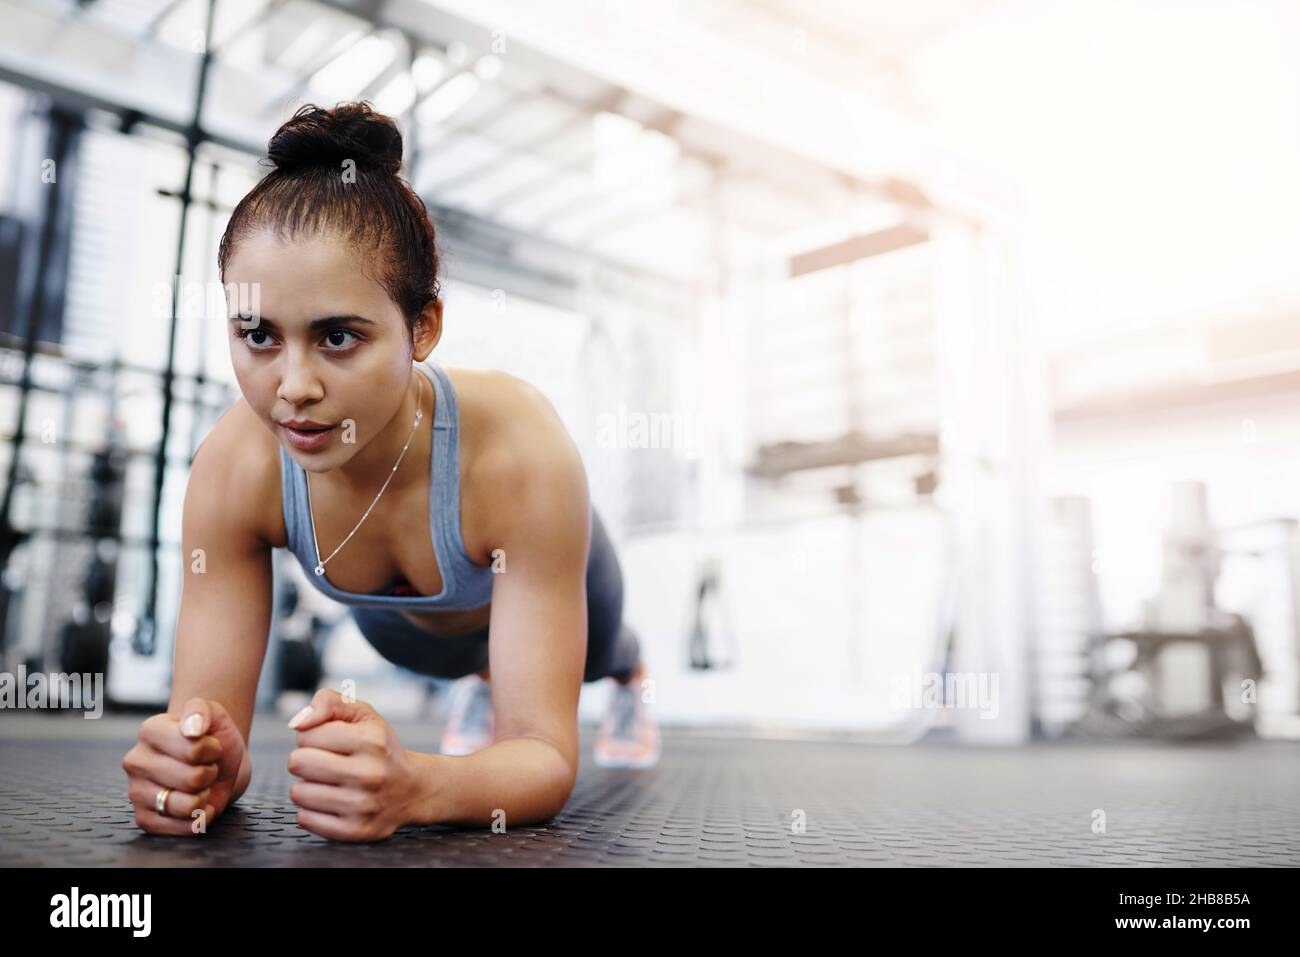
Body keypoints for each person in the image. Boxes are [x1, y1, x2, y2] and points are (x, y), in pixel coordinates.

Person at [121, 101, 660, 843]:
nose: (293, 386)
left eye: (338, 336)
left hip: (562, 589)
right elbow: (210, 724)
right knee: (462, 666)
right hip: (401, 633)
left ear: (423, 328)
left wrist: (421, 786)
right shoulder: (234, 469)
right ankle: (482, 675)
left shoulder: (522, 453)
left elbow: (542, 757)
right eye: (258, 335)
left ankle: (630, 679)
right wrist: (196, 763)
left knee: (604, 651)